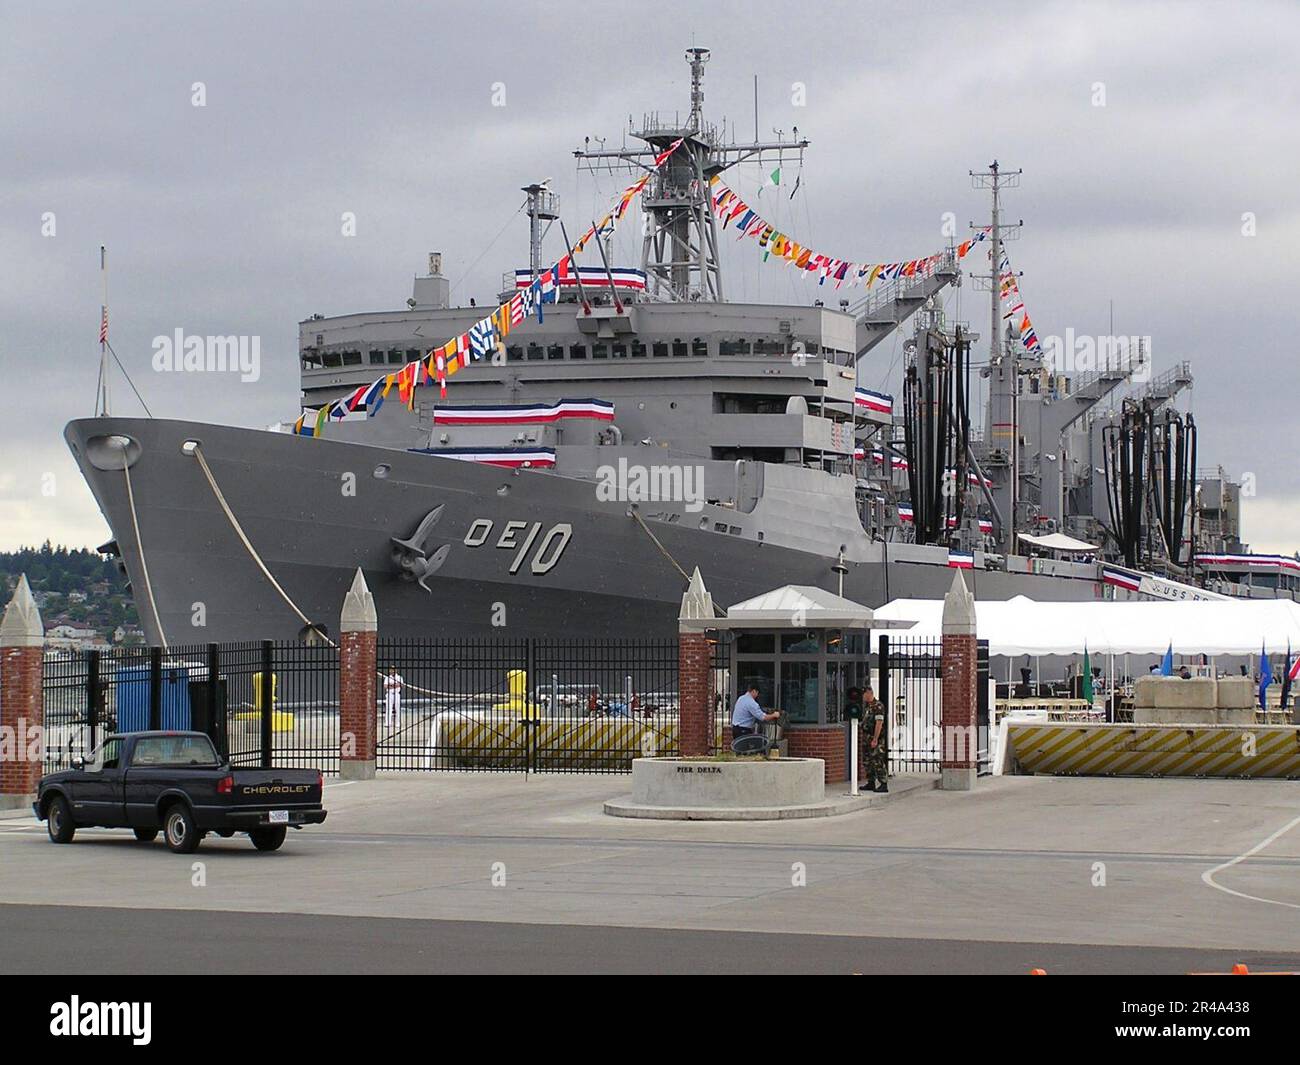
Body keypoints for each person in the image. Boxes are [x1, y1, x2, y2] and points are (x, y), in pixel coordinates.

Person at [862, 685, 888, 792]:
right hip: (867, 737)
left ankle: (883, 783)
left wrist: (875, 739)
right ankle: (871, 782)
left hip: (875, 738)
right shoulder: (868, 707)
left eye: (863, 694)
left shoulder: (878, 706)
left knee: (877, 760)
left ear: (869, 693)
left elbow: (879, 723)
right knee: (868, 761)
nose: (862, 697)